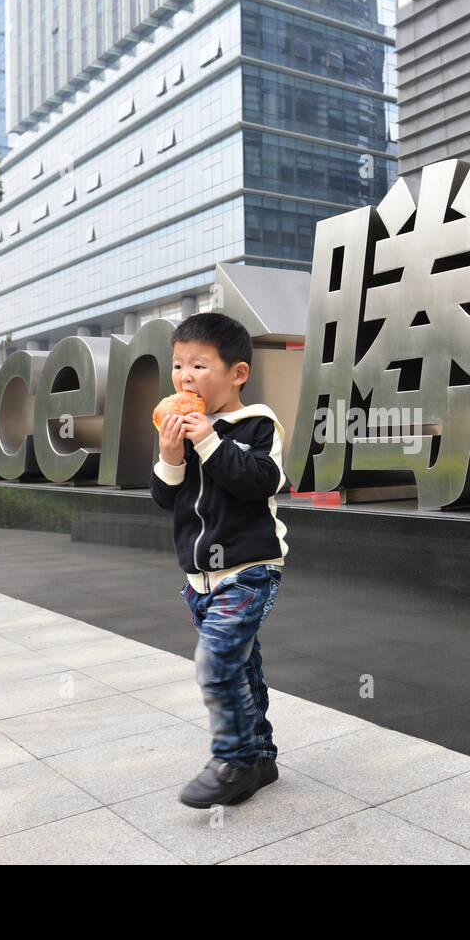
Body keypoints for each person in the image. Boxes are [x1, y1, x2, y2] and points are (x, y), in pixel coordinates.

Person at [150, 312, 288, 808]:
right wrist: (171, 457)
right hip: (199, 579)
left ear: (237, 373)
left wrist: (209, 440)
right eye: (178, 366)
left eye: (200, 365)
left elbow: (259, 482)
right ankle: (261, 759)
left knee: (216, 662)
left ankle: (231, 760)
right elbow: (167, 500)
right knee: (243, 667)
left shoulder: (257, 424)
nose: (185, 377)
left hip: (249, 570)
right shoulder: (180, 431)